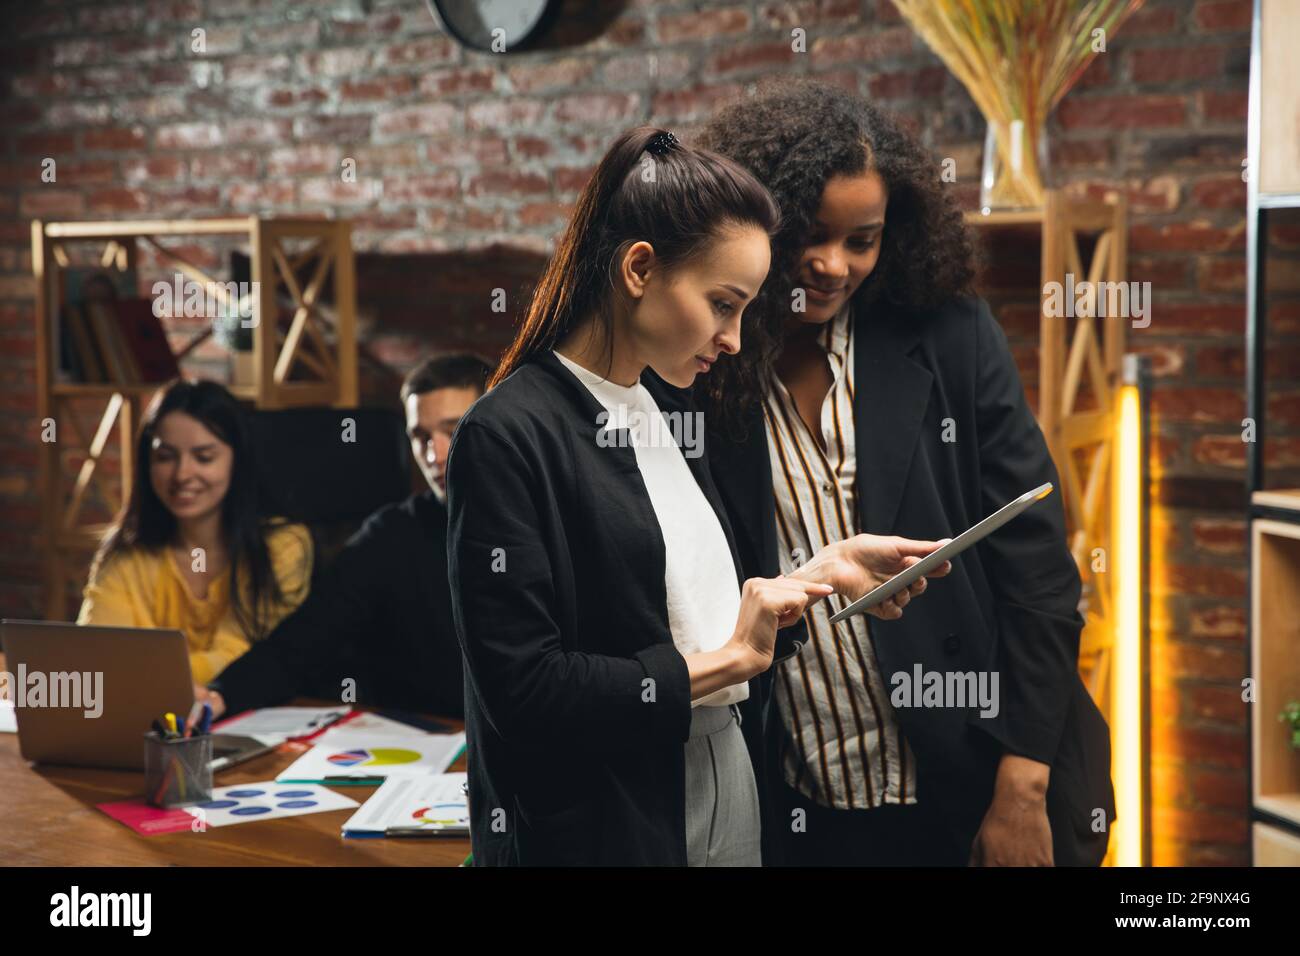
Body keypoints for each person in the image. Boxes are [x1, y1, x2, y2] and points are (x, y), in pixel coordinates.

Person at [446, 126, 950, 867]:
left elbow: (695, 620)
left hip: (723, 769)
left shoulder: (671, 410)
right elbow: (525, 693)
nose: (735, 339)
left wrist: (819, 573)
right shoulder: (506, 435)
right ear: (639, 268)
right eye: (722, 304)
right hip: (603, 816)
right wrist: (729, 664)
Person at [695, 79, 1115, 866]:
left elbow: (1039, 575)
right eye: (810, 235)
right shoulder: (708, 368)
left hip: (975, 786)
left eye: (863, 239)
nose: (834, 265)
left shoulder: (950, 334)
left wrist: (1021, 788)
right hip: (805, 800)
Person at [197, 353, 491, 720]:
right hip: (420, 742)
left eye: (454, 429)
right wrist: (221, 694)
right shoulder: (391, 535)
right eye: (420, 437)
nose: (435, 454)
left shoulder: (546, 520)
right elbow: (304, 641)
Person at [77, 379, 312, 685]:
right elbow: (94, 653)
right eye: (165, 457)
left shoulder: (282, 546)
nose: (182, 474)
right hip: (141, 709)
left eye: (204, 457)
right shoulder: (128, 552)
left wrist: (137, 674)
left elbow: (240, 656)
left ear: (237, 461)